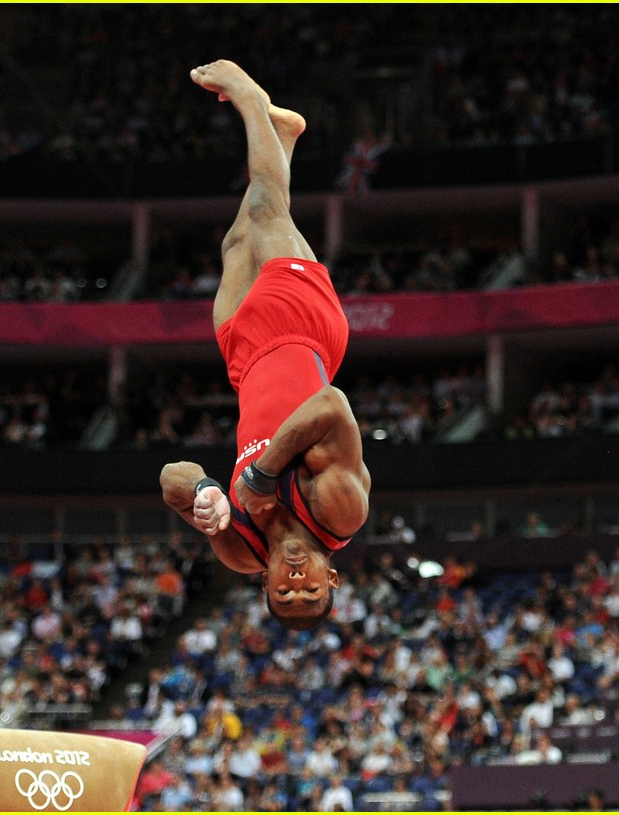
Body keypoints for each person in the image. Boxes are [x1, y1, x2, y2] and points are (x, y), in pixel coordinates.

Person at [160, 60, 371, 631]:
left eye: (285, 594)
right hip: (302, 331)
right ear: (332, 577)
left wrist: (204, 492)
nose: (296, 583)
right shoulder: (339, 512)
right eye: (310, 591)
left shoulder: (240, 550)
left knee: (235, 242)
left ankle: (283, 137)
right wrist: (262, 475)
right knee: (262, 211)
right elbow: (333, 406)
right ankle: (250, 96)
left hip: (245, 360)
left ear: (266, 586)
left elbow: (172, 478)